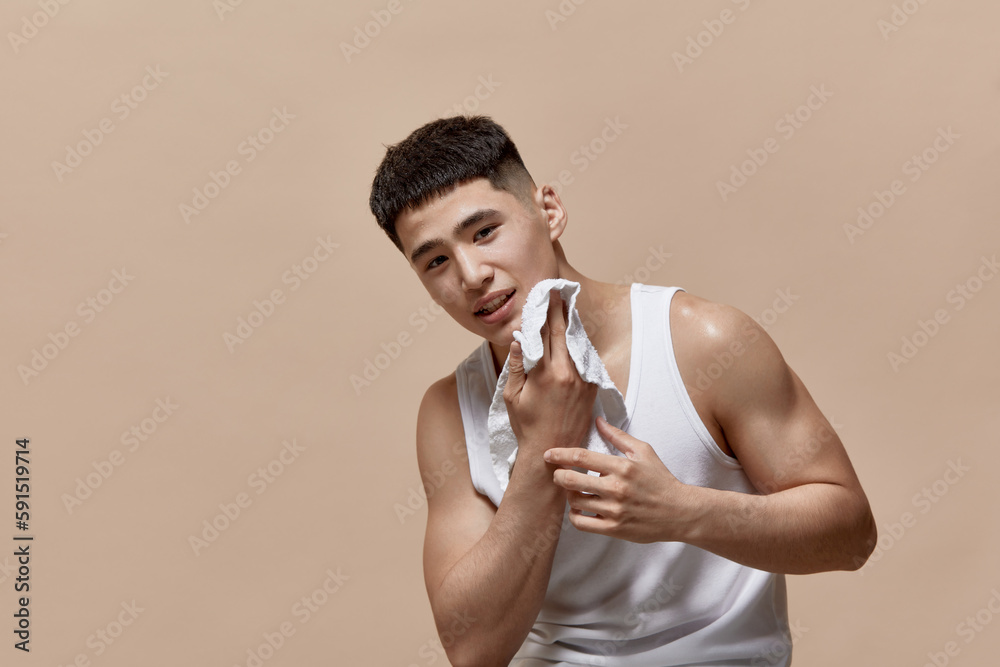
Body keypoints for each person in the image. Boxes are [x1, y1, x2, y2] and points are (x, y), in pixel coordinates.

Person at [369, 115, 876, 666]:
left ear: (549, 211)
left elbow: (851, 536)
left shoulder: (703, 343)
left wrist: (685, 511)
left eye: (484, 231)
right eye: (436, 260)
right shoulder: (449, 411)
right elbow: (473, 649)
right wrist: (541, 449)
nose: (470, 275)